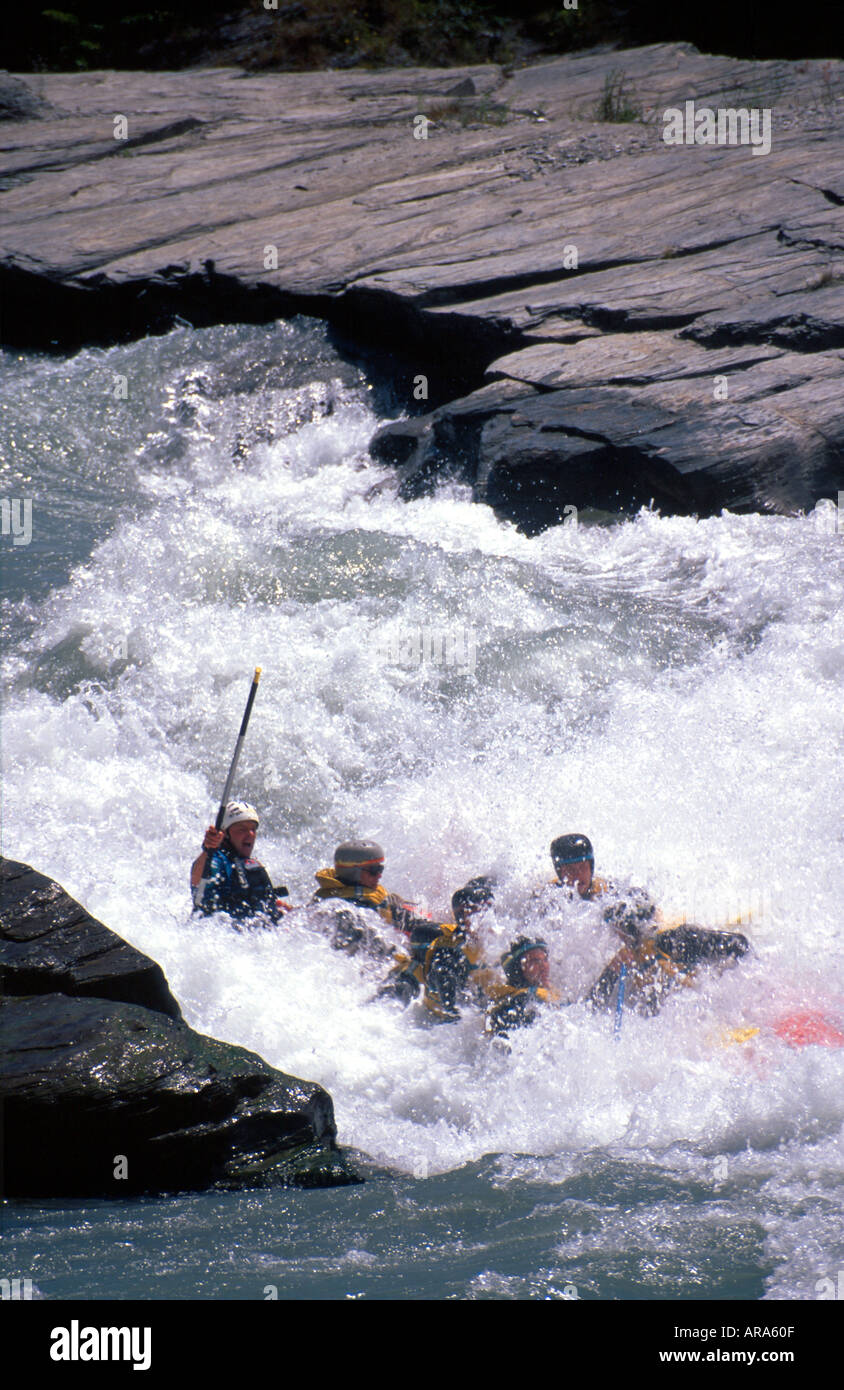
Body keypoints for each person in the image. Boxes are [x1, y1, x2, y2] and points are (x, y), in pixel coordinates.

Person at [587, 892, 750, 1017]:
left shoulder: (675, 940)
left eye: (617, 928)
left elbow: (739, 944)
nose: (615, 934)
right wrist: (612, 971)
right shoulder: (627, 956)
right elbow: (592, 1007)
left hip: (704, 1004)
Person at [378, 876, 499, 1019]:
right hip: (435, 1020)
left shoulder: (500, 942)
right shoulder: (449, 948)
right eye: (475, 912)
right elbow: (444, 973)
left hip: (475, 1008)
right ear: (462, 919)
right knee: (406, 979)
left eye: (487, 910)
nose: (483, 917)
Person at [191, 800, 288, 926]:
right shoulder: (216, 860)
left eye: (253, 829)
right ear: (225, 834)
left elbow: (271, 906)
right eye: (242, 829)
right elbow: (197, 877)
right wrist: (208, 849)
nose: (251, 834)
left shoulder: (251, 865)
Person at [312, 840, 430, 940]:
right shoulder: (362, 907)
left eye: (380, 869)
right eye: (374, 870)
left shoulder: (327, 894)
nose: (379, 875)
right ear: (353, 872)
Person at [485, 937, 561, 1037]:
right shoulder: (522, 1000)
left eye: (545, 959)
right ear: (519, 968)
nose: (543, 966)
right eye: (535, 961)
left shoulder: (547, 994)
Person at [548, 833, 612, 901]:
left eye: (582, 867)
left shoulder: (608, 893)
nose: (578, 874)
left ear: (591, 869)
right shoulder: (547, 897)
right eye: (570, 869)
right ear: (560, 873)